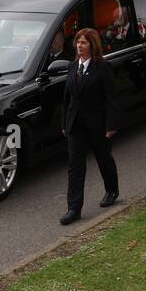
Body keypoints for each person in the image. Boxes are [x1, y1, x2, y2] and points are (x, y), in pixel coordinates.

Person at [59, 28, 119, 224]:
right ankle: (73, 208)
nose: (79, 46)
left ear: (92, 45)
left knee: (103, 159)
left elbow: (111, 99)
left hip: (97, 124)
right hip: (75, 124)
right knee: (75, 166)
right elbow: (67, 99)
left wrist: (111, 125)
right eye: (77, 42)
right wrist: (64, 123)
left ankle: (111, 190)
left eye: (83, 43)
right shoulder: (72, 67)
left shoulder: (102, 67)